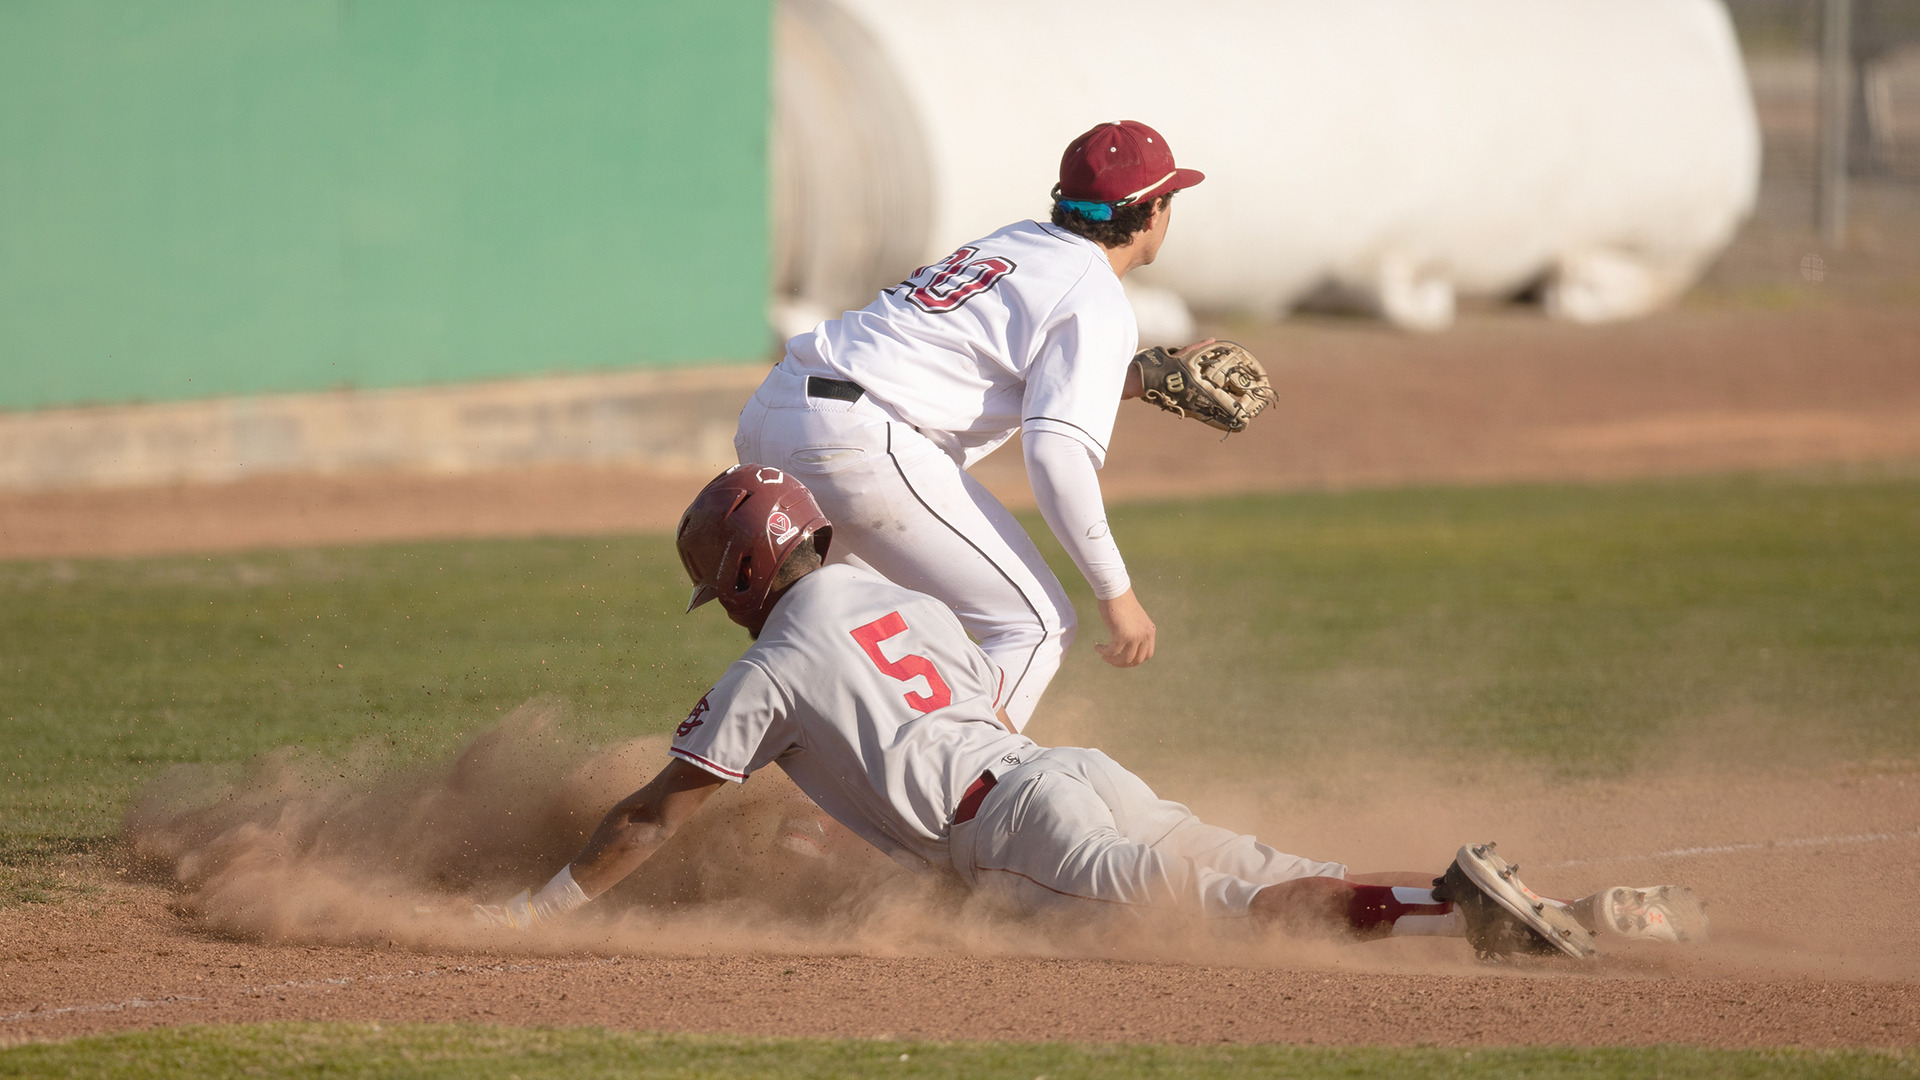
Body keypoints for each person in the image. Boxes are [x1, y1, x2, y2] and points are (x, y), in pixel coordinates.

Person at [476, 467, 1706, 957]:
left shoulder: (772, 669)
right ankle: (1544, 913)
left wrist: (539, 913)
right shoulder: (892, 600)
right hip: (1067, 776)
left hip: (1019, 833)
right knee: (1277, 879)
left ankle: (1468, 920)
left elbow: (654, 815)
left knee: (1245, 920)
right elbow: (918, 736)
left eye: (722, 591)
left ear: (745, 577)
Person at [735, 119, 1211, 734]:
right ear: (1151, 213)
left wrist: (1134, 379)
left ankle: (807, 817)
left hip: (776, 412)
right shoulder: (1095, 295)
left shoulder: (1015, 242)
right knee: (1033, 627)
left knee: (859, 640)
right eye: (1170, 199)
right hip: (856, 440)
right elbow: (1056, 454)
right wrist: (1116, 594)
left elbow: (994, 362)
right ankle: (950, 800)